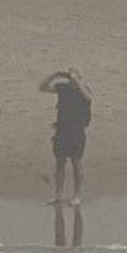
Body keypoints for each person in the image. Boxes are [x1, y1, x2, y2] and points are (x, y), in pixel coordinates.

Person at [39, 69, 92, 207]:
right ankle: (58, 194)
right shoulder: (63, 88)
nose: (71, 80)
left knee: (77, 164)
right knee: (59, 164)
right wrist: (54, 75)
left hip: (77, 132)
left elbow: (88, 98)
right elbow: (42, 88)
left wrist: (78, 81)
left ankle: (77, 195)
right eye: (70, 77)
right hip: (62, 131)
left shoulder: (84, 89)